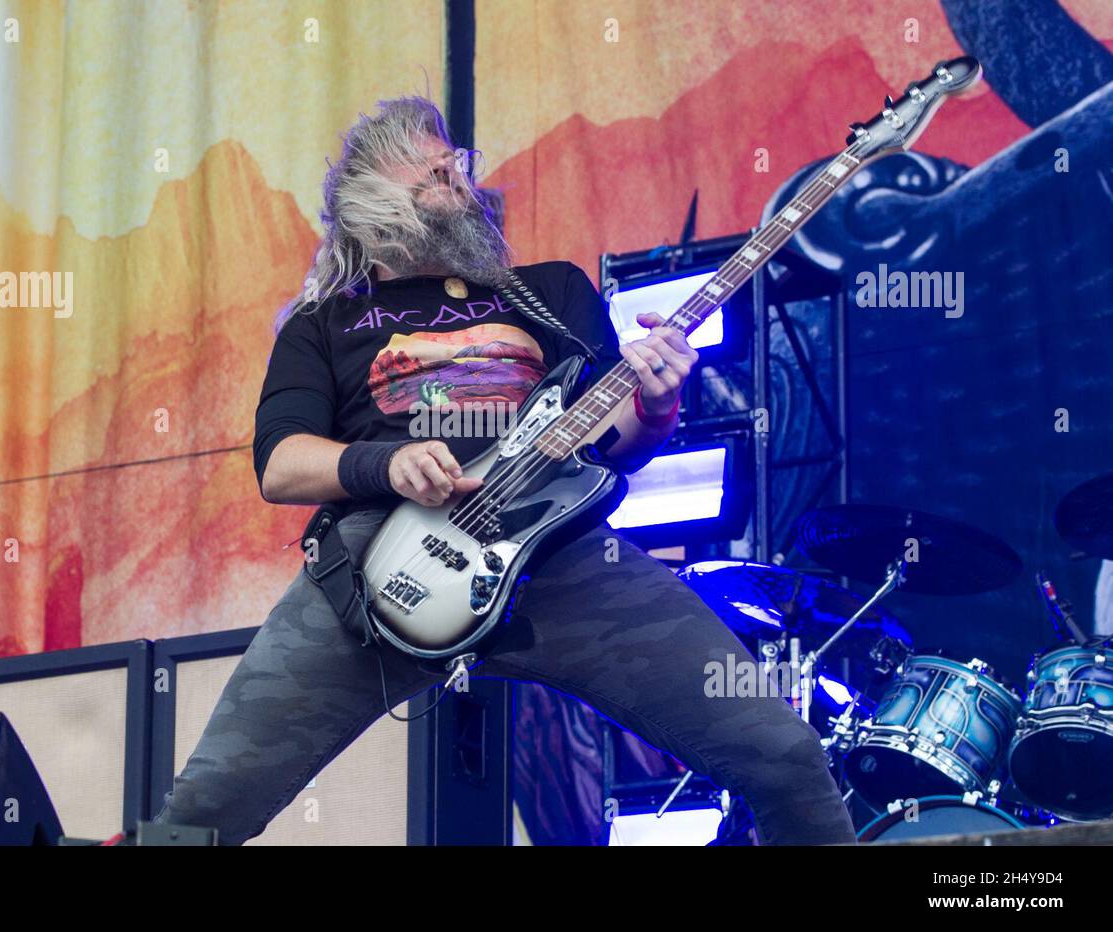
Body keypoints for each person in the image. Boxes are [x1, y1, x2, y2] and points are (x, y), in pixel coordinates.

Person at [153, 96, 855, 845]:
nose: (460, 181)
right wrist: (388, 464)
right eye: (433, 176)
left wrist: (657, 402)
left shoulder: (548, 293)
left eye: (458, 165)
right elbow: (283, 465)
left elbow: (613, 441)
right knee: (204, 809)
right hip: (380, 567)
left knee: (782, 754)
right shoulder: (322, 325)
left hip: (565, 562)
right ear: (376, 208)